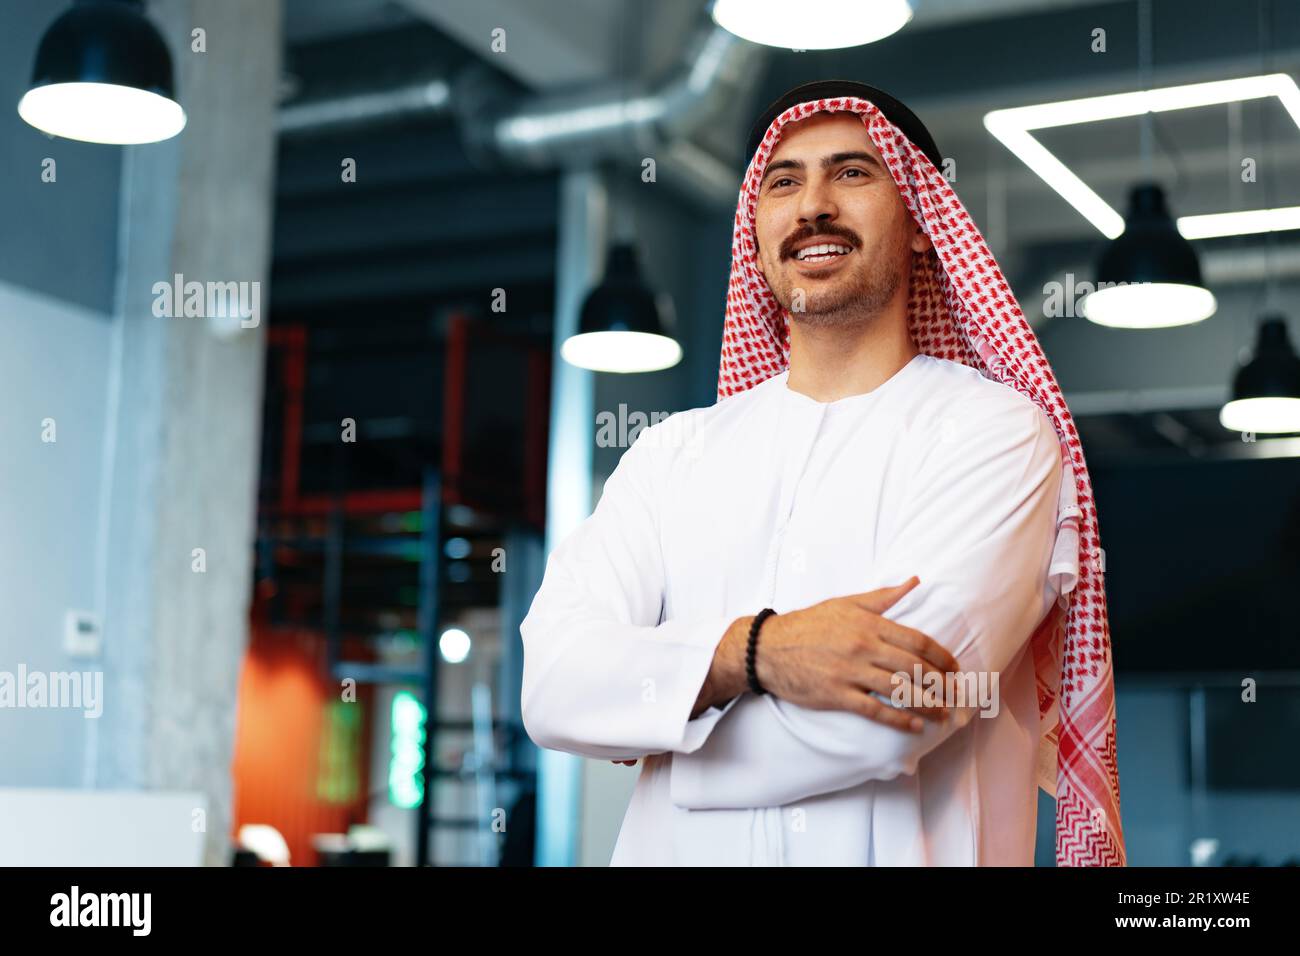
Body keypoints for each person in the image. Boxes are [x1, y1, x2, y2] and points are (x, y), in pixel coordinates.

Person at [520, 80, 1125, 866]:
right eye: (784, 181)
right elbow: (554, 685)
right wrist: (756, 651)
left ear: (919, 220)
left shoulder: (996, 434)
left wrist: (668, 725)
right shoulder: (671, 455)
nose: (812, 207)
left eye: (852, 172)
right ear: (757, 225)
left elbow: (891, 713)